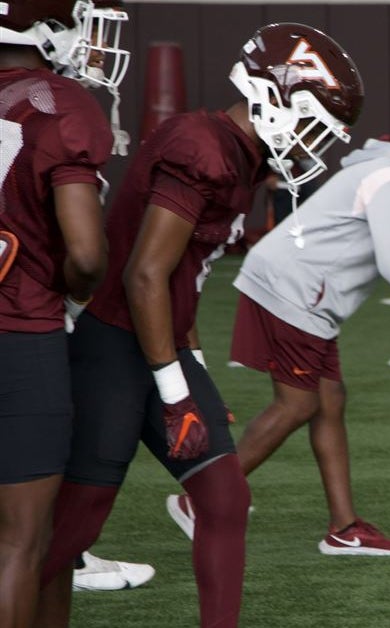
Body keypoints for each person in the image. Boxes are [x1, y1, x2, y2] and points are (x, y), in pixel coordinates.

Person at [34, 22, 364, 627]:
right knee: (74, 525)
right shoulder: (203, 148)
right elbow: (144, 276)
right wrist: (176, 390)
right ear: (273, 95)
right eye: (312, 121)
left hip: (159, 347)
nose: (313, 143)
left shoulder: (236, 152)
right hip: (114, 348)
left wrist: (195, 369)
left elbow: (182, 281)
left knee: (224, 497)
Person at [165, 108, 390, 556]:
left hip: (303, 291)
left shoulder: (383, 170)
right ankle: (199, 501)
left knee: (329, 400)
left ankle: (344, 527)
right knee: (297, 404)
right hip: (296, 290)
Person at [0, 1, 130, 623]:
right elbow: (84, 254)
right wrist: (70, 292)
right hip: (19, 335)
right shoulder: (58, 103)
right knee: (18, 543)